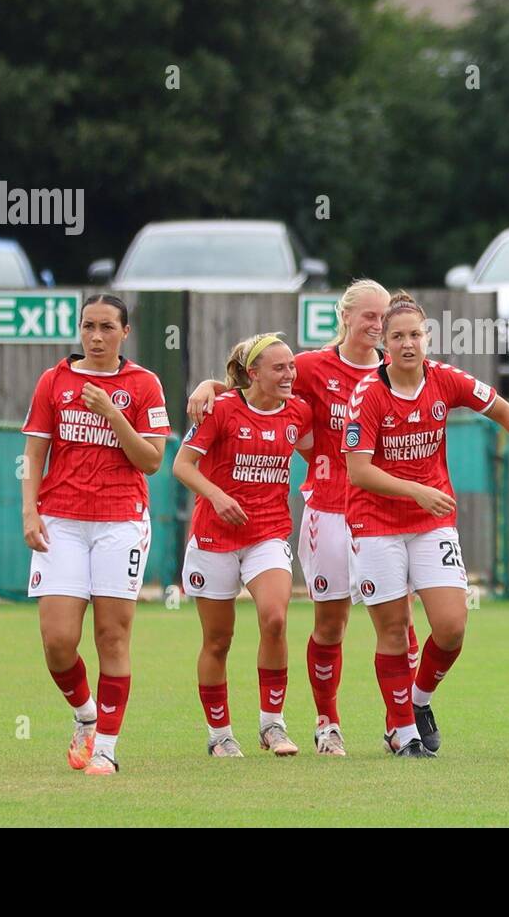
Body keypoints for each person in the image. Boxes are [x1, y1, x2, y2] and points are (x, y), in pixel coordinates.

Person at [344, 291, 509, 756]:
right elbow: (358, 471)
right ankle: (402, 733)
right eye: (397, 336)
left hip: (432, 522)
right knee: (393, 630)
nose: (408, 344)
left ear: (427, 337)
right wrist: (417, 489)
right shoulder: (369, 394)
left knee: (452, 626)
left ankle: (418, 702)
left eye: (415, 334)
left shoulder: (445, 380)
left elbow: (500, 408)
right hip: (375, 522)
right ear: (384, 342)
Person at [186, 279, 421, 756]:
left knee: (402, 625)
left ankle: (403, 724)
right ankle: (326, 723)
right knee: (330, 625)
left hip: (387, 514)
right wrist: (209, 386)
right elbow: (254, 386)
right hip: (329, 511)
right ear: (346, 317)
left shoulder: (399, 368)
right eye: (370, 317)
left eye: (385, 318)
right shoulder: (310, 367)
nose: (378, 326)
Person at [21, 294, 170, 776]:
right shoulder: (55, 381)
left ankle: (105, 746)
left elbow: (150, 460)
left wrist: (112, 413)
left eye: (108, 327)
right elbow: (34, 454)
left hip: (120, 521)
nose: (97, 336)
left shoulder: (143, 384)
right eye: (89, 326)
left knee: (112, 634)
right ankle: (86, 713)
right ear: (79, 329)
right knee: (59, 641)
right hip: (60, 520)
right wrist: (29, 512)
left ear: (125, 332)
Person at [174, 333, 313, 757]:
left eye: (292, 366)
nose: (290, 374)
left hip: (267, 534)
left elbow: (319, 453)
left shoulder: (299, 413)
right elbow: (182, 465)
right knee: (218, 640)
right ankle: (220, 735)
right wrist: (216, 495)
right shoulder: (223, 409)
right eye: (279, 367)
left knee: (275, 619)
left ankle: (273, 725)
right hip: (214, 537)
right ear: (253, 373)